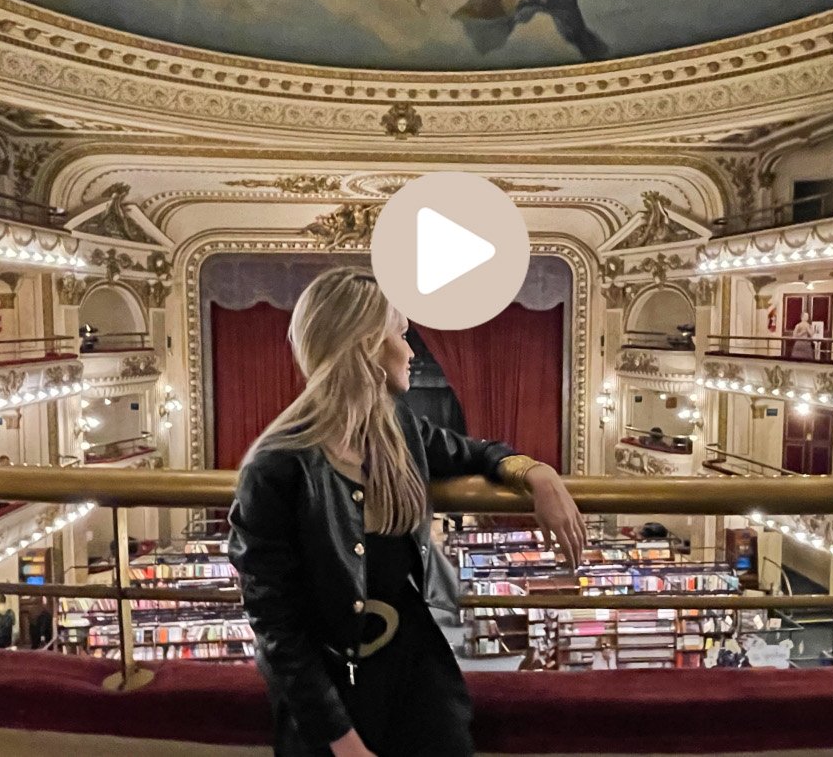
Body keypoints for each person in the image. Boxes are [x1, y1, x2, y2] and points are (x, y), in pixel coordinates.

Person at [229, 268, 583, 757]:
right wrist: (342, 740)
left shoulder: (399, 427)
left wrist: (536, 474)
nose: (412, 350)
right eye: (401, 334)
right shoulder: (276, 467)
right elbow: (277, 627)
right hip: (329, 687)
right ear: (367, 343)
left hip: (417, 672)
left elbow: (475, 453)